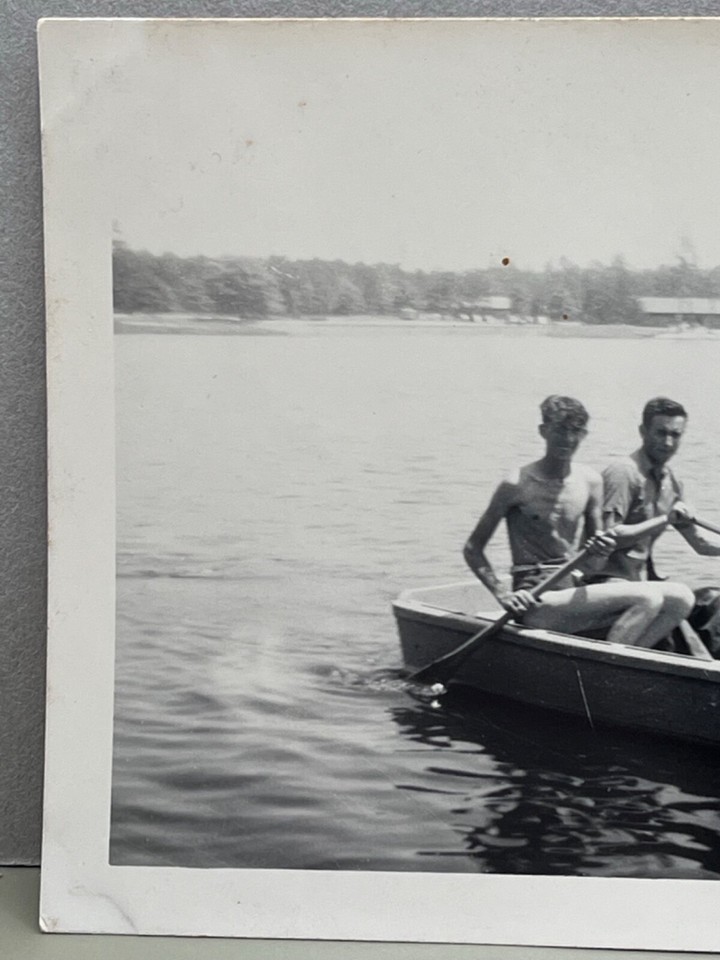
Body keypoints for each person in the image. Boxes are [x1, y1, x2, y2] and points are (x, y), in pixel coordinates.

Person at [463, 395, 695, 647]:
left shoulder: (590, 481)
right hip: (535, 598)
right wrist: (503, 593)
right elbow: (473, 549)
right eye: (559, 430)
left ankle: (622, 662)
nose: (567, 440)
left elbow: (596, 562)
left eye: (575, 431)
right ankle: (608, 666)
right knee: (648, 598)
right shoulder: (516, 484)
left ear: (584, 434)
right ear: (543, 431)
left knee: (681, 598)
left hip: (572, 590)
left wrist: (598, 548)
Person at [598, 397, 720, 653]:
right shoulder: (623, 472)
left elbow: (700, 544)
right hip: (607, 582)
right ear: (643, 432)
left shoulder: (672, 483)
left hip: (645, 585)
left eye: (675, 435)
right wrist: (665, 520)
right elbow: (610, 538)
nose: (668, 442)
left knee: (715, 602)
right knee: (685, 622)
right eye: (661, 433)